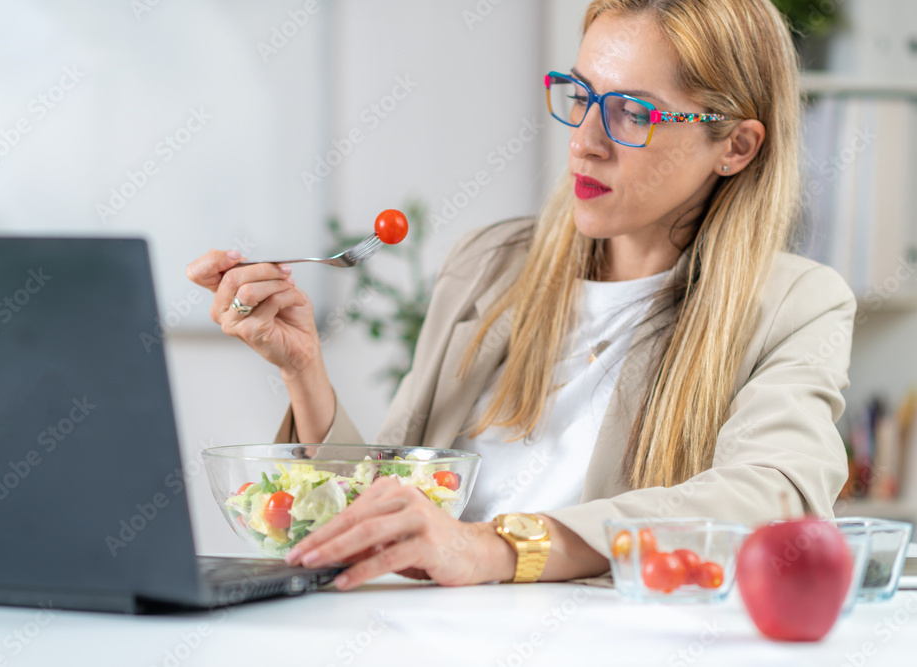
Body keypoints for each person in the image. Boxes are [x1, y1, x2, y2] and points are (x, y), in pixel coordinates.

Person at [186, 0, 855, 591]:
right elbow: (383, 503)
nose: (586, 144)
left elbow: (775, 499)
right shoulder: (487, 266)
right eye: (579, 94)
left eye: (630, 113)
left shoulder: (799, 305)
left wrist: (497, 546)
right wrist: (304, 372)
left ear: (735, 146)